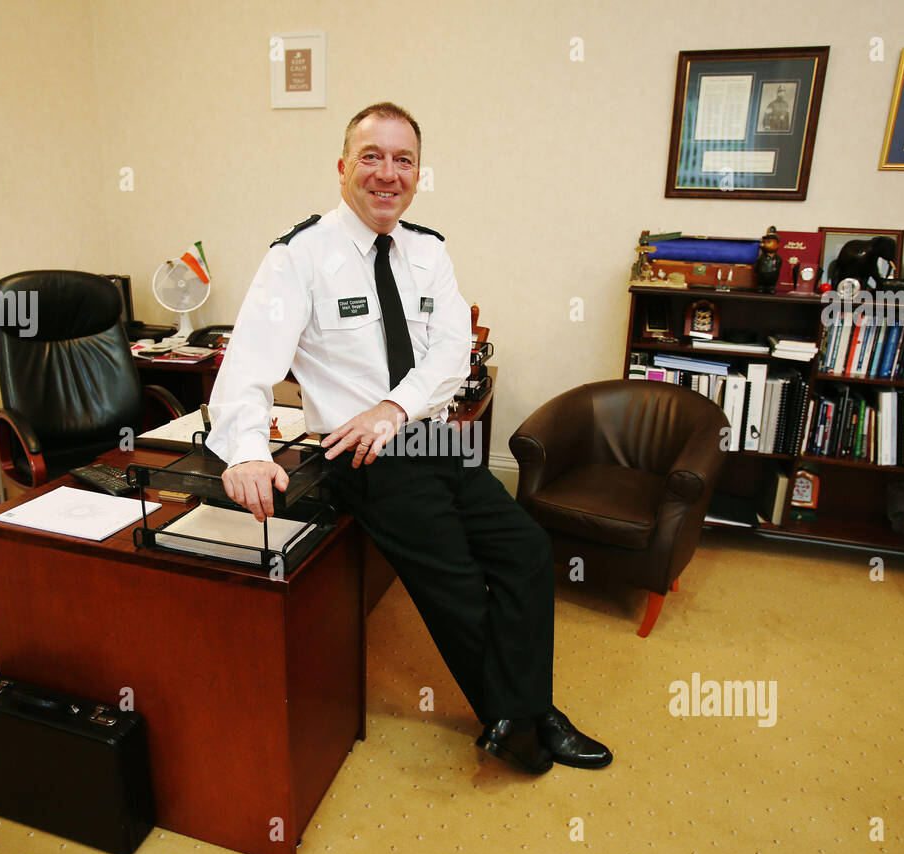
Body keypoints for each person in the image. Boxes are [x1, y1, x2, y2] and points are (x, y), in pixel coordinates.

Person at [205, 102, 611, 775]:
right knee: (455, 582)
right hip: (362, 457)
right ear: (342, 168)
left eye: (403, 160)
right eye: (371, 157)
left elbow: (454, 350)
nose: (387, 173)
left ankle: (522, 710)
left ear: (419, 173)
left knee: (529, 551)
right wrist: (247, 449)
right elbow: (248, 364)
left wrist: (395, 407)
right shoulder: (298, 257)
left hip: (426, 436)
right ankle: (527, 722)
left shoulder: (429, 250)